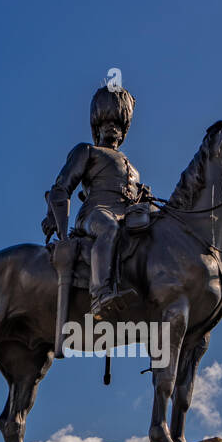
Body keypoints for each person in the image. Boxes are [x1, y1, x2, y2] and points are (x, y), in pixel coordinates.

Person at [43, 84, 153, 318]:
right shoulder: (88, 151)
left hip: (126, 214)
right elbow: (62, 186)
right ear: (97, 128)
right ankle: (100, 294)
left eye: (117, 124)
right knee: (109, 229)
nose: (112, 127)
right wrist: (53, 216)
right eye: (106, 124)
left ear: (124, 132)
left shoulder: (132, 168)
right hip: (95, 212)